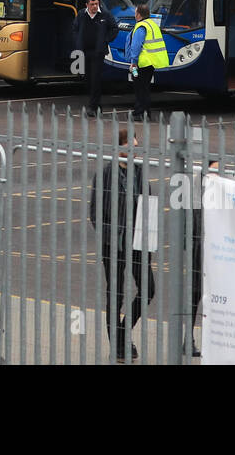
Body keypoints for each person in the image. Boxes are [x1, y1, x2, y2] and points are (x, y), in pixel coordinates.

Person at [87, 127, 154, 361]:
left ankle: (124, 333)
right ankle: (117, 346)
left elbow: (148, 209)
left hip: (136, 244)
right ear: (120, 149)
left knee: (148, 289)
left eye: (136, 147)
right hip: (114, 244)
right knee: (115, 294)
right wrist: (111, 237)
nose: (135, 151)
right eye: (130, 147)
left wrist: (148, 242)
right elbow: (95, 211)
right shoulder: (107, 173)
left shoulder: (139, 172)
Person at [72, 0, 116, 118]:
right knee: (87, 80)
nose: (95, 6)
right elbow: (75, 29)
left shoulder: (105, 15)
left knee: (95, 79)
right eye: (92, 4)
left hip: (98, 53)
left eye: (96, 4)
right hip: (84, 52)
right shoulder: (81, 14)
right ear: (87, 5)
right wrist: (77, 41)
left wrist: (105, 40)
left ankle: (92, 107)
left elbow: (114, 28)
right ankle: (97, 105)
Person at [127, 4, 169, 121]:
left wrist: (133, 62)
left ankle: (139, 113)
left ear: (139, 14)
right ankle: (145, 112)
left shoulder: (141, 26)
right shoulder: (152, 24)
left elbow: (136, 46)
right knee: (144, 88)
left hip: (140, 64)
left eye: (135, 12)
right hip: (149, 64)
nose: (134, 14)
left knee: (139, 87)